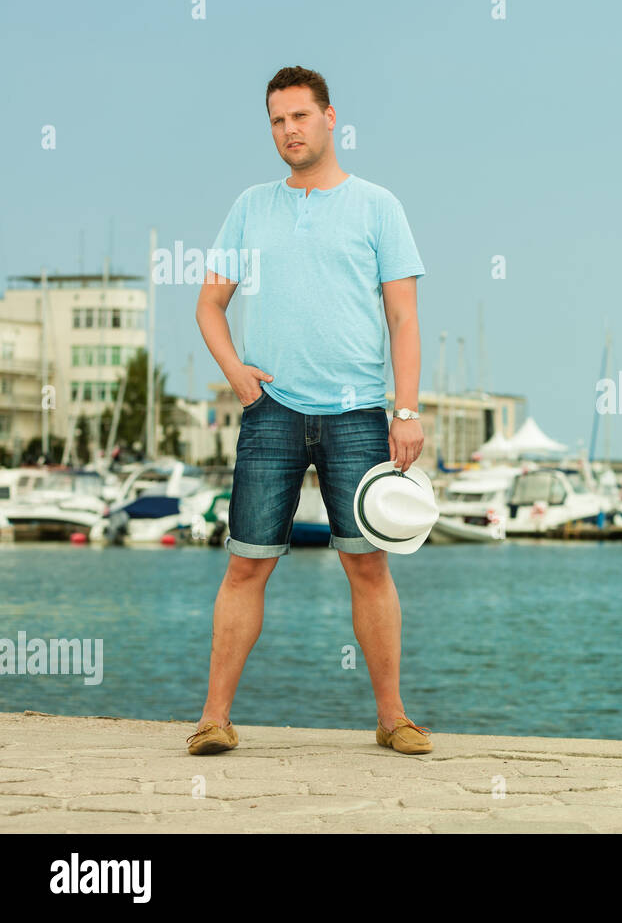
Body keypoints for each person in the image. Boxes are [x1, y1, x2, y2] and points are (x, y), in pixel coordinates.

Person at [190, 65, 432, 756]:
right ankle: (214, 718)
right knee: (246, 564)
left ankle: (393, 719)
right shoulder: (250, 207)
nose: (288, 130)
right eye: (276, 120)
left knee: (367, 566)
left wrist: (406, 409)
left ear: (331, 119)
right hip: (271, 414)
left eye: (299, 116)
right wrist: (237, 374)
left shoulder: (378, 206)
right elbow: (208, 304)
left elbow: (404, 318)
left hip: (358, 414)